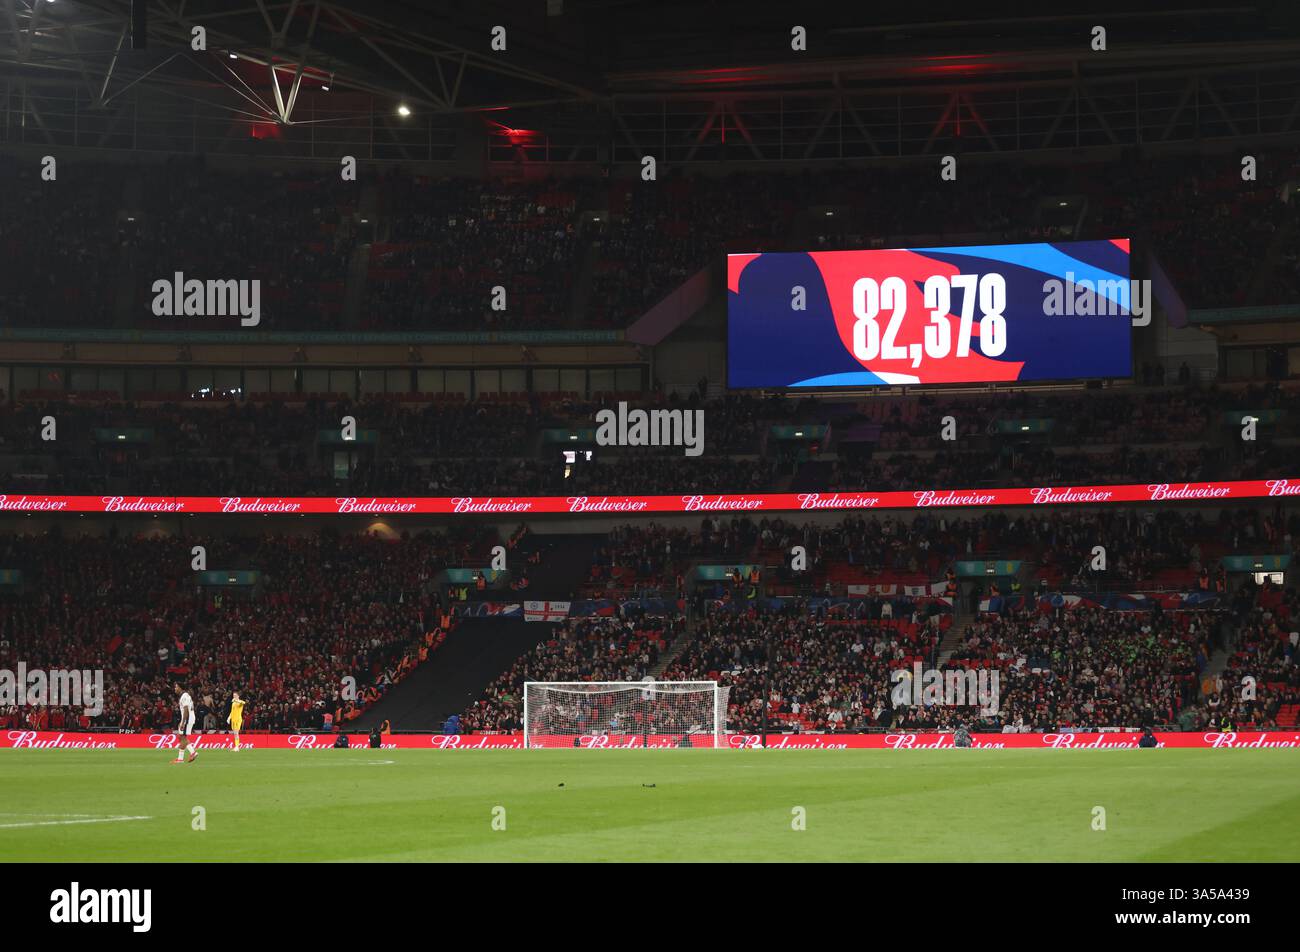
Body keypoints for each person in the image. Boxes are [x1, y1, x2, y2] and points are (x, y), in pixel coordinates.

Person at [172, 683, 198, 764]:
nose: (175, 689)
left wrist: (183, 722)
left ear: (180, 687)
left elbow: (186, 709)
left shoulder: (184, 696)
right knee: (180, 737)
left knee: (182, 737)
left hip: (188, 719)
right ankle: (192, 752)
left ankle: (181, 759)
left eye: (176, 687)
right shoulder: (185, 696)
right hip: (187, 718)